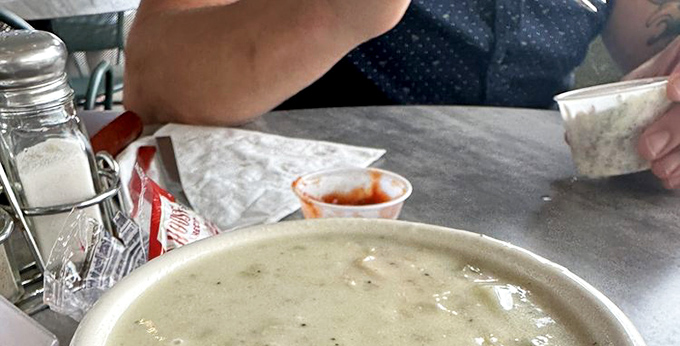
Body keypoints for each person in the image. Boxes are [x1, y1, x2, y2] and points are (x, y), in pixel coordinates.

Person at [124, 0, 680, 189]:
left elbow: (655, 35)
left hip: (542, 215)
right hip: (314, 215)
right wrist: (335, 14)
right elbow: (156, 82)